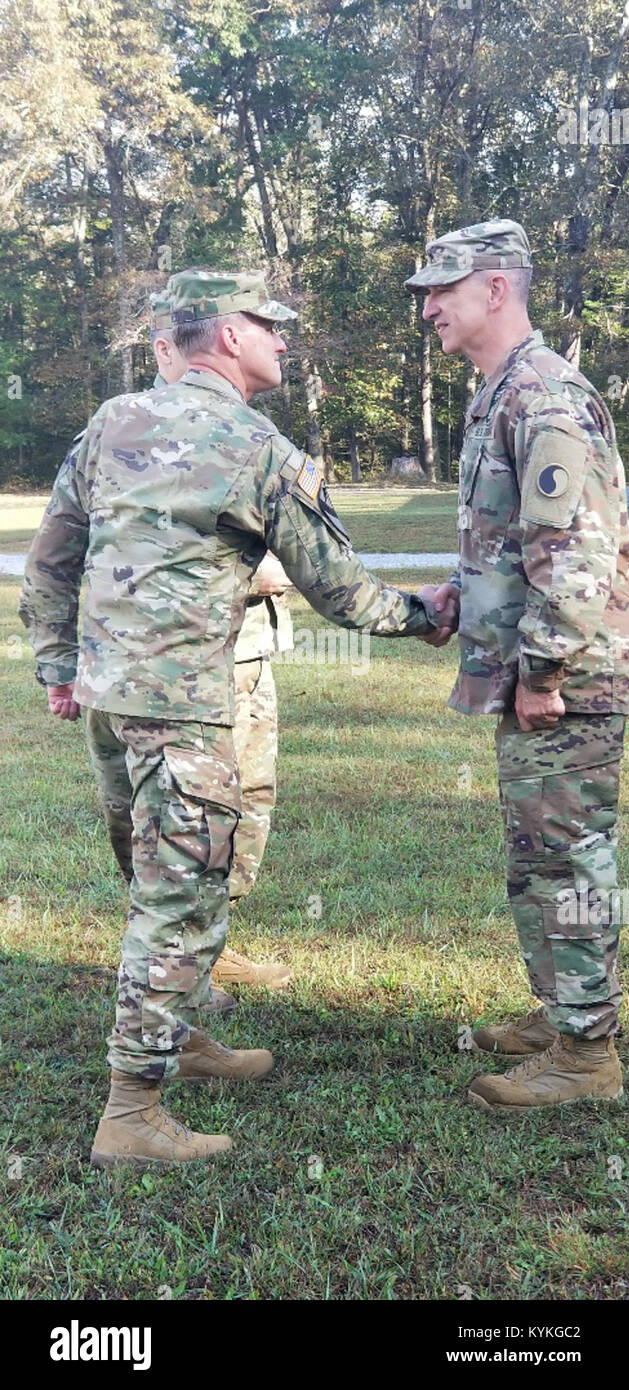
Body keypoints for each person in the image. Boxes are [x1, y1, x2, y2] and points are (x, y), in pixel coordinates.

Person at [19, 267, 453, 1166]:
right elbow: (337, 590)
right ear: (224, 336)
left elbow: (52, 555)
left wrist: (59, 665)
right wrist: (426, 614)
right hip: (185, 715)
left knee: (161, 885)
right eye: (269, 325)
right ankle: (130, 1115)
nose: (282, 340)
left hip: (110, 704)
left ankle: (181, 1037)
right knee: (179, 906)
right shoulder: (257, 447)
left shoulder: (111, 424)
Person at [406, 219, 629, 1112]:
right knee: (537, 857)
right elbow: (520, 541)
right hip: (542, 673)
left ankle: (586, 1054)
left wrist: (540, 673)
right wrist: (466, 589)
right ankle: (561, 1010)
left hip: (566, 681)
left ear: (495, 288)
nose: (427, 308)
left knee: (569, 859)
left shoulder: (539, 392)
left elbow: (578, 551)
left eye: (441, 290)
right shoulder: (500, 389)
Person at [150, 307, 293, 997]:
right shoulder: (148, 432)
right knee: (196, 813)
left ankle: (213, 941)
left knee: (251, 795)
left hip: (250, 648)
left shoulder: (252, 435)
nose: (284, 342)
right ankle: (187, 965)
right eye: (269, 329)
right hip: (197, 664)